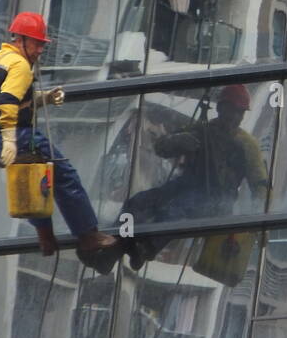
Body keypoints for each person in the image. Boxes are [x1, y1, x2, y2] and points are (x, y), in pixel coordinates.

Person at [0, 12, 119, 270]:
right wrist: (10, 141)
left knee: (36, 180)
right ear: (20, 39)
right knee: (65, 175)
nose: (41, 49)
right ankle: (88, 236)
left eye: (42, 44)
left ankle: (45, 237)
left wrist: (46, 98)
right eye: (37, 43)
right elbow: (7, 102)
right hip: (14, 136)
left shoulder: (2, 58)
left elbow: (11, 100)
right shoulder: (19, 65)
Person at [108, 84, 269, 272]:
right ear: (220, 108)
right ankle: (114, 241)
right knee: (138, 202)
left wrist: (261, 217)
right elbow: (162, 148)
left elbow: (260, 183)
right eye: (231, 111)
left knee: (173, 211)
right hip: (187, 185)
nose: (234, 117)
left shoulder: (247, 145)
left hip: (215, 198)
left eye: (238, 113)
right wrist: (177, 140)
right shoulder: (201, 130)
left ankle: (146, 248)